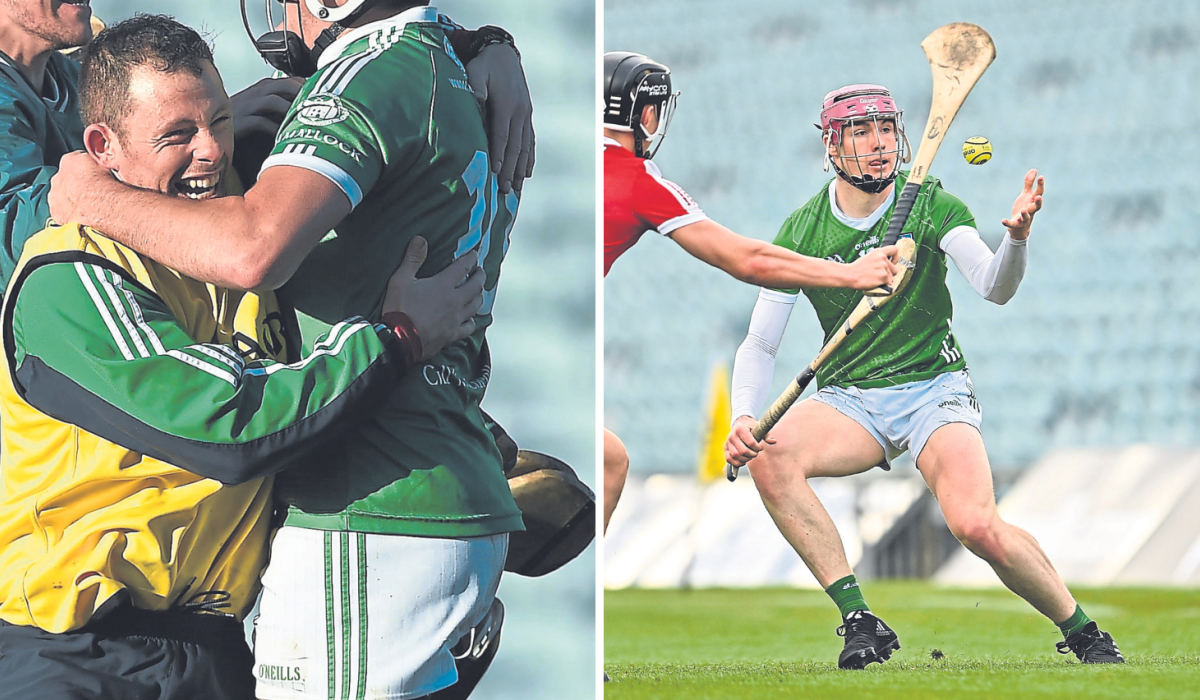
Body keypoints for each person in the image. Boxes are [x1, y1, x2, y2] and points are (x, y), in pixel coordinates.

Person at [50, 3, 531, 697]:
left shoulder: (369, 71)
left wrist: (92, 197)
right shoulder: (451, 66)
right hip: (412, 493)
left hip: (369, 503)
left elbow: (253, 249)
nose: (284, 11)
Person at [724, 84, 1124, 668]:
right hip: (850, 401)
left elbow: (994, 286)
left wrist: (1014, 238)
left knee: (975, 524)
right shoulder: (803, 233)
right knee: (768, 454)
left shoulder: (931, 202)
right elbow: (760, 343)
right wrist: (742, 416)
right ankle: (859, 619)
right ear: (832, 146)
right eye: (860, 132)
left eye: (886, 129)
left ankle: (1083, 630)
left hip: (934, 389)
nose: (879, 144)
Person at [602, 52, 900, 534]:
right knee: (606, 462)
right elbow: (750, 262)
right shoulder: (638, 181)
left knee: (610, 459)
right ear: (647, 114)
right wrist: (853, 275)